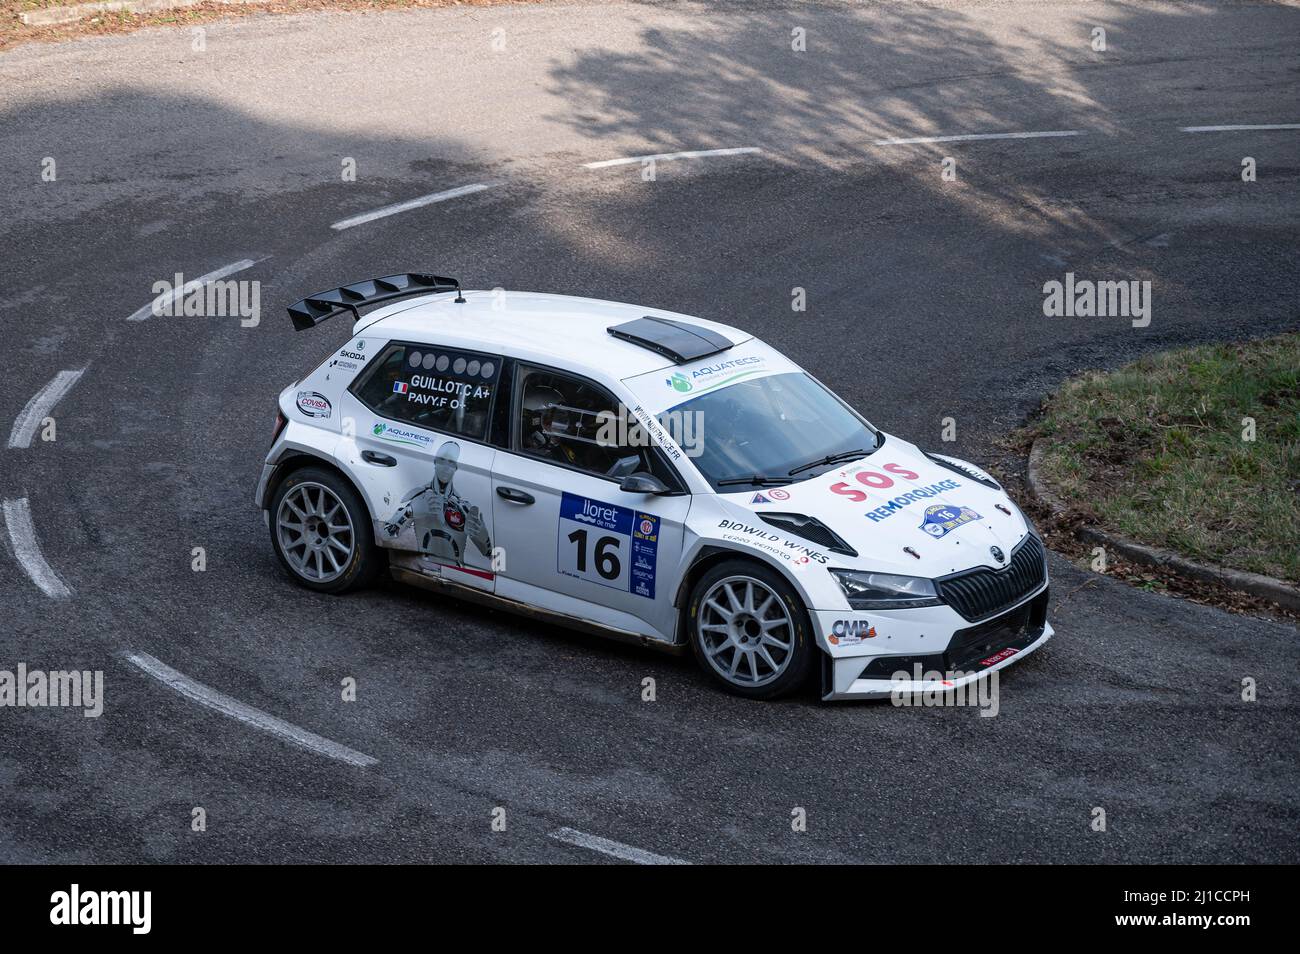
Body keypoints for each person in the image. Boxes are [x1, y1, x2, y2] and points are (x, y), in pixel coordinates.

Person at [383, 441, 491, 567]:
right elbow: (386, 535)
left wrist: (483, 536)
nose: (446, 467)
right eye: (442, 461)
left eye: (451, 463)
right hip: (423, 568)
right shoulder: (420, 497)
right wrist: (409, 512)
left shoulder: (464, 507)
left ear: (456, 468)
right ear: (435, 462)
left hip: (455, 572)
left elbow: (490, 554)